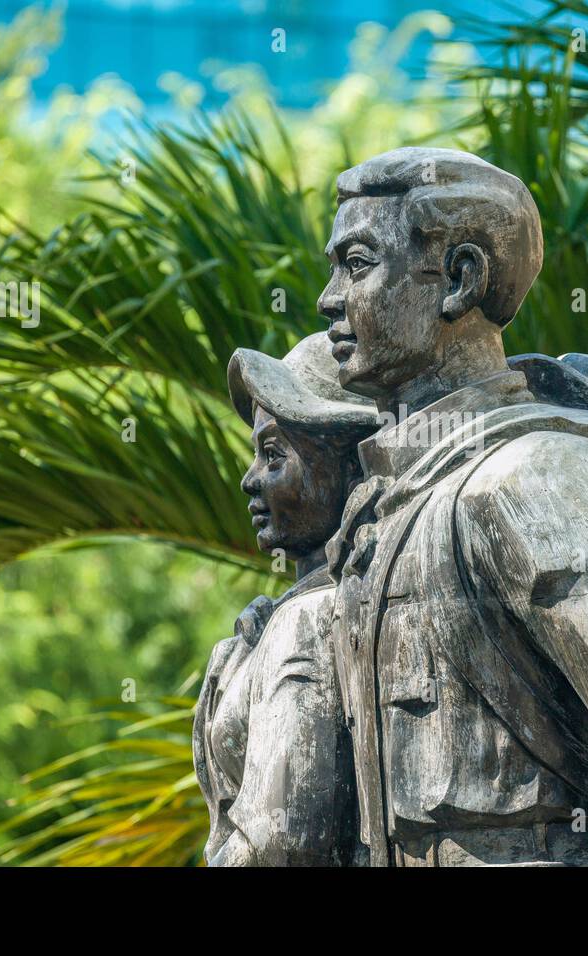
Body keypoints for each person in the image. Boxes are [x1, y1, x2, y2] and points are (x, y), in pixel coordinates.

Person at [319, 147, 588, 866]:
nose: (328, 298)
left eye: (358, 264)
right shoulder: (389, 508)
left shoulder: (531, 477)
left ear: (460, 280)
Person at [193, 332, 378, 865]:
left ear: (350, 467)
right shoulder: (277, 623)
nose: (251, 479)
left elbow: (282, 838)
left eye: (274, 456)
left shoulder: (312, 621)